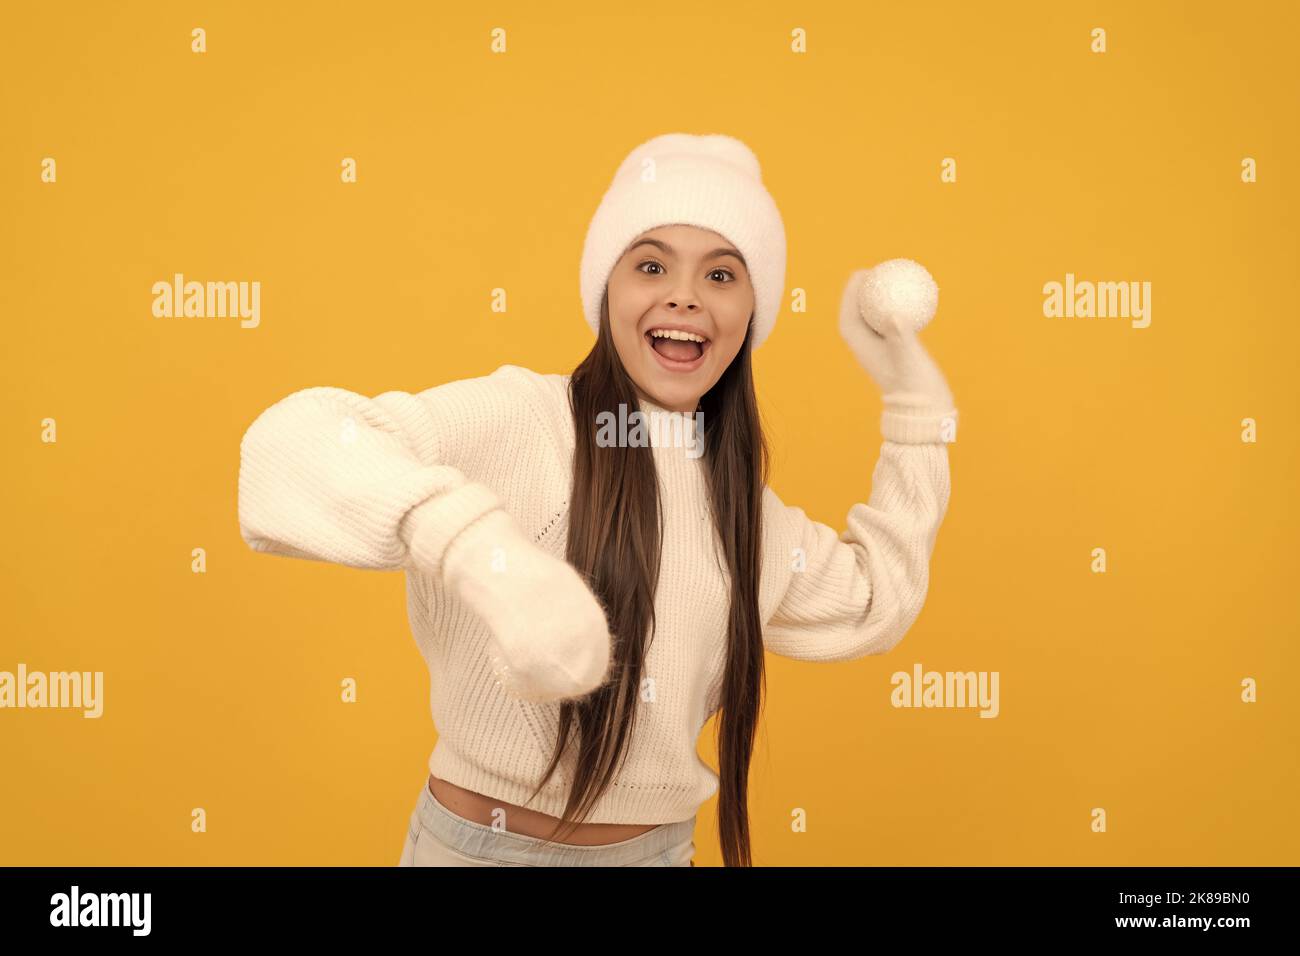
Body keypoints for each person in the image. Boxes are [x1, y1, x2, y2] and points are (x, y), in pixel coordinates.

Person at [236, 132, 958, 867]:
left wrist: (915, 414)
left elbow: (877, 601)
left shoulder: (742, 508)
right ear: (606, 288)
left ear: (751, 313)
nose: (683, 294)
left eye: (721, 274)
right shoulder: (525, 422)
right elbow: (292, 445)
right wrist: (479, 554)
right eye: (651, 265)